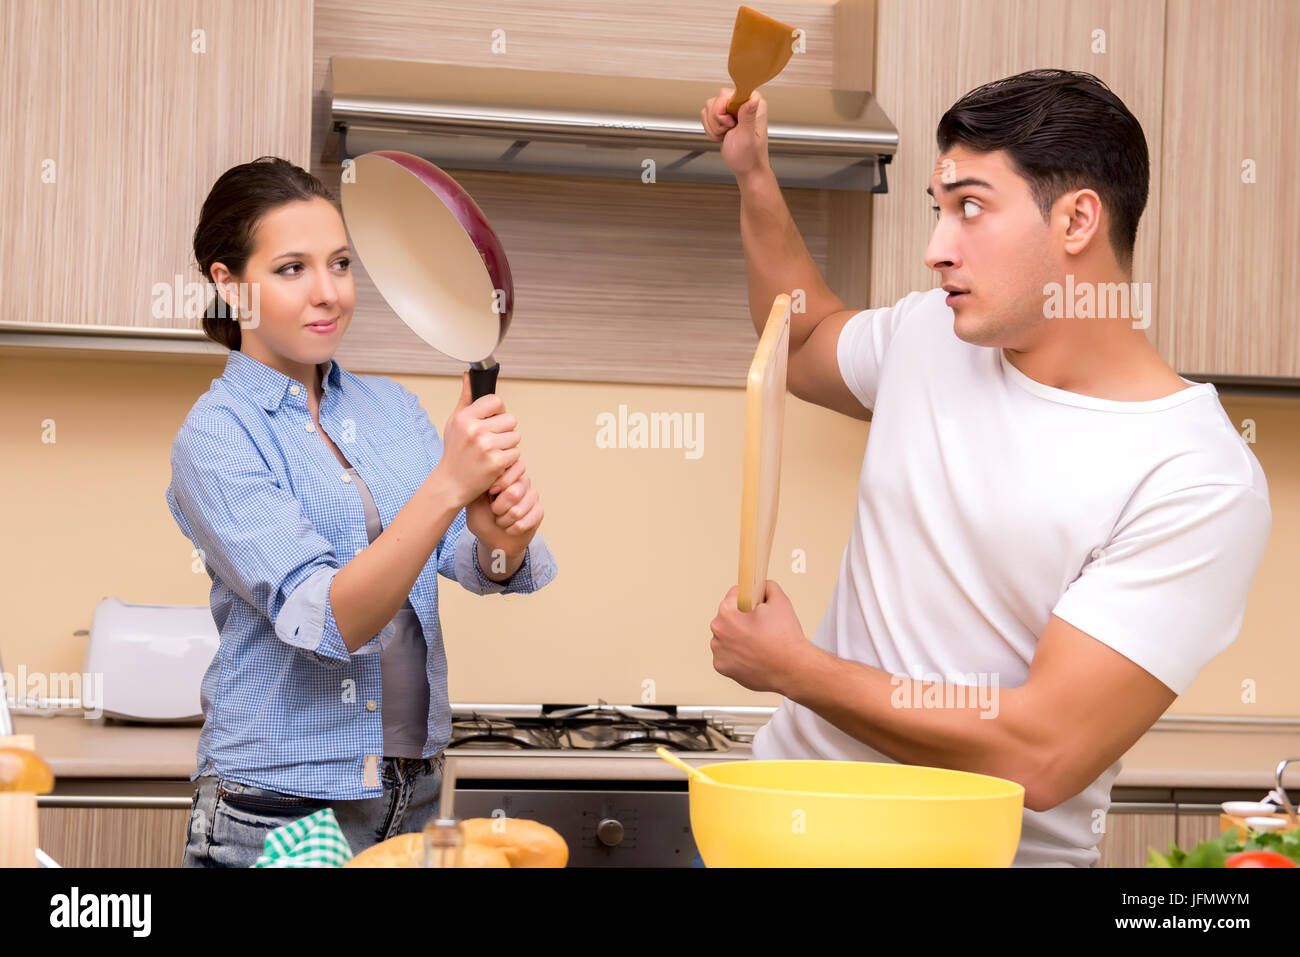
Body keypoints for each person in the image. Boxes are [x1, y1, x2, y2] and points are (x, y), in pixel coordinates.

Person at [700, 70, 1272, 866]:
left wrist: (797, 669)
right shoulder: (931, 334)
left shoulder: (1195, 478)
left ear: (1076, 219)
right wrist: (754, 174)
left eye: (970, 207)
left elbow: (1042, 752)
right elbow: (795, 341)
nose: (937, 249)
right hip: (777, 830)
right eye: (939, 210)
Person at [168, 156, 558, 867]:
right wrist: (446, 485)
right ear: (230, 285)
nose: (328, 293)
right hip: (279, 807)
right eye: (292, 269)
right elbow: (327, 620)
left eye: (341, 263)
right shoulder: (218, 434)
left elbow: (470, 562)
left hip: (413, 791)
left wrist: (505, 541)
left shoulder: (391, 409)